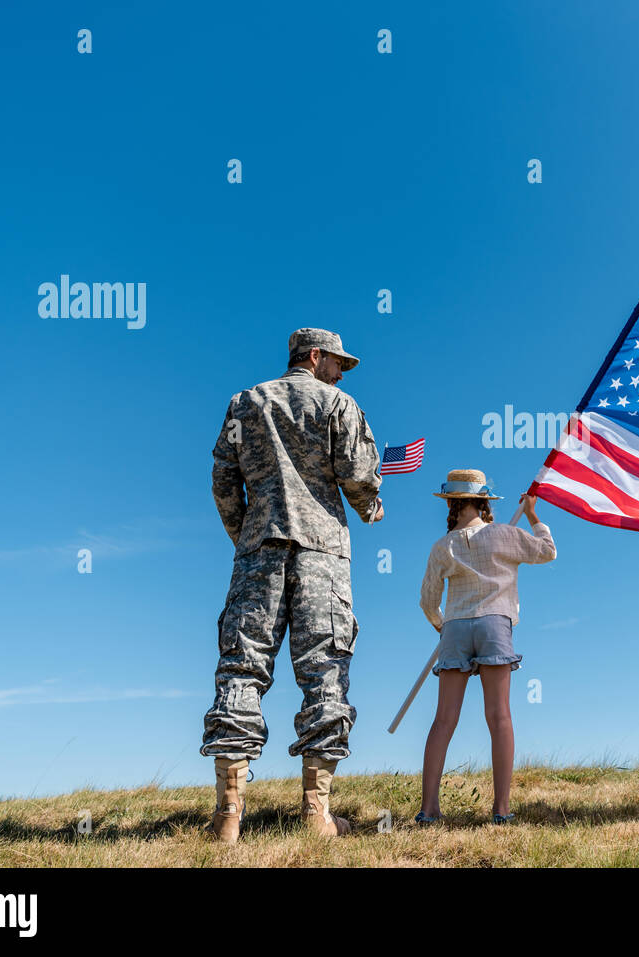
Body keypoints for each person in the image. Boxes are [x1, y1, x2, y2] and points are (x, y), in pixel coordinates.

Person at [201, 327, 384, 843]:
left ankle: (228, 816)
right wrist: (371, 505)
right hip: (322, 553)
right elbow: (358, 473)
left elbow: (222, 480)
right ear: (316, 355)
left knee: (241, 665)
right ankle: (317, 813)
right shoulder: (338, 404)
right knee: (325, 666)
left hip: (258, 551)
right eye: (337, 364)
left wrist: (247, 534)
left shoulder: (245, 402)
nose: (340, 373)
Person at [416, 469, 556, 825]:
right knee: (499, 716)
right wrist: (532, 515)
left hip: (455, 627)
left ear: (451, 503)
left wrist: (440, 626)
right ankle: (501, 809)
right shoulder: (505, 535)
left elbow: (428, 601)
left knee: (444, 719)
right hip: (495, 622)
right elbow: (547, 552)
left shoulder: (441, 546)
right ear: (483, 502)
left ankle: (429, 809)